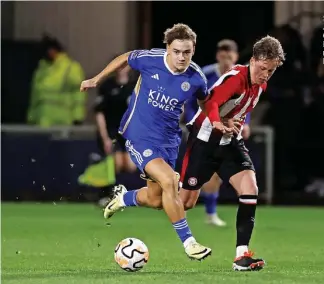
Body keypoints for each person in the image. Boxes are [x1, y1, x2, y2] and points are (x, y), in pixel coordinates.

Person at [106, 35, 285, 271]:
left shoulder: (260, 83)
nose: (266, 75)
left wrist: (234, 125)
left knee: (250, 187)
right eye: (263, 69)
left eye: (271, 71)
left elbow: (238, 109)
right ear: (252, 60)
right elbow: (211, 102)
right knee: (175, 202)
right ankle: (126, 198)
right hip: (204, 141)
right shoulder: (235, 79)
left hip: (230, 142)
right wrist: (217, 122)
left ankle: (241, 256)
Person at [80, 23, 215, 261]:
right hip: (138, 134)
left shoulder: (196, 78)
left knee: (155, 199)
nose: (181, 57)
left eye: (187, 52)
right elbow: (124, 58)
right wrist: (97, 79)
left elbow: (206, 104)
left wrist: (216, 122)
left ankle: (123, 198)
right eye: (176, 51)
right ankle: (189, 243)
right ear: (168, 49)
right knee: (169, 180)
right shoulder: (150, 59)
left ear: (193, 50)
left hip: (169, 140)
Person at [182, 39, 250, 227]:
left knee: (215, 175)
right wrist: (193, 122)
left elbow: (246, 103)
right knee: (196, 173)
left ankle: (210, 214)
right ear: (217, 56)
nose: (226, 59)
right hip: (203, 128)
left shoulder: (242, 76)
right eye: (222, 55)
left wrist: (245, 123)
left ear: (236, 56)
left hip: (226, 130)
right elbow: (191, 102)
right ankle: (180, 208)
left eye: (229, 55)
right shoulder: (206, 74)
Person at [78, 65, 137, 206]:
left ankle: (96, 168)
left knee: (130, 165)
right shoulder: (107, 86)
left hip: (128, 131)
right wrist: (105, 137)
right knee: (113, 163)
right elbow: (99, 112)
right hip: (111, 130)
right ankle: (108, 194)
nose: (121, 69)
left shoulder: (134, 86)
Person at [27, 34, 86, 127]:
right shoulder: (41, 70)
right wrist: (31, 118)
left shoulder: (70, 68)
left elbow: (78, 95)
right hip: (42, 122)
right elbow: (35, 97)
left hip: (63, 122)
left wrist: (78, 117)